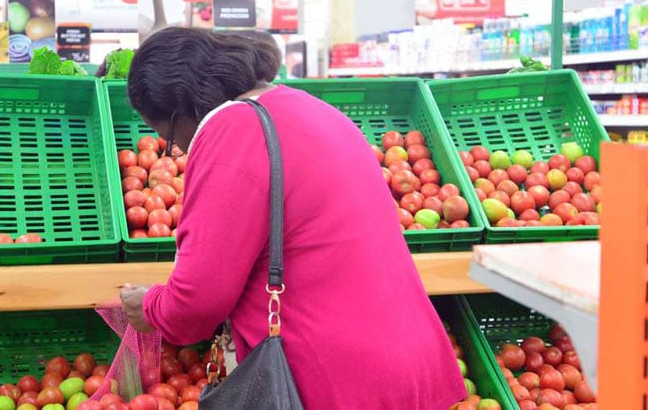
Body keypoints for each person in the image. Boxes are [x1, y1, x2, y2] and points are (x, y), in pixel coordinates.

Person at [120, 27, 466, 409]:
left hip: (332, 379)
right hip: (404, 364)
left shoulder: (231, 131)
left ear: (179, 107)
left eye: (169, 137)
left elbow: (196, 304)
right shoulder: (312, 108)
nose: (180, 150)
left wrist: (149, 306)